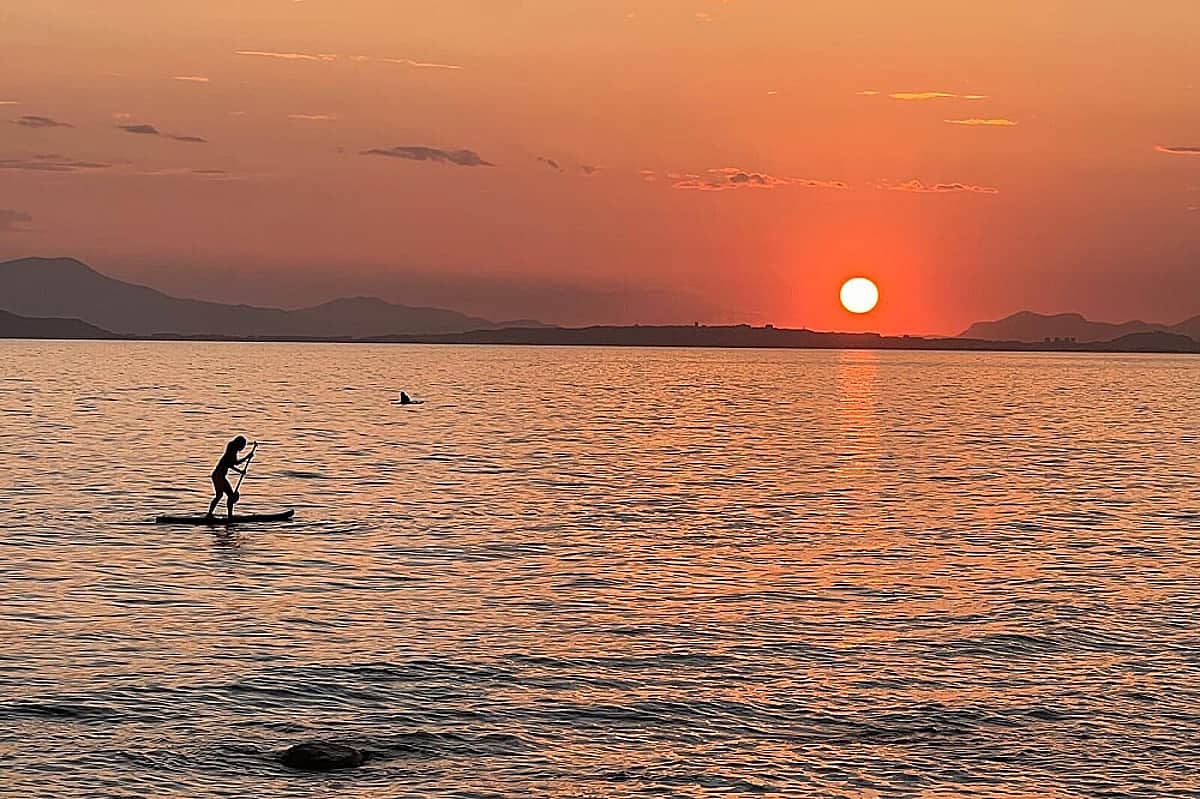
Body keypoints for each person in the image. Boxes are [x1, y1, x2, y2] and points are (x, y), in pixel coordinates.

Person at [207, 436, 253, 519]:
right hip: (218, 476)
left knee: (231, 496)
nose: (243, 448)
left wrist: (246, 460)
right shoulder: (231, 451)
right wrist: (247, 457)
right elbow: (232, 464)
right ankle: (209, 514)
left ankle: (230, 516)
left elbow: (233, 463)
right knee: (219, 495)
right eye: (243, 446)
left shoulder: (233, 451)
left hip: (221, 476)